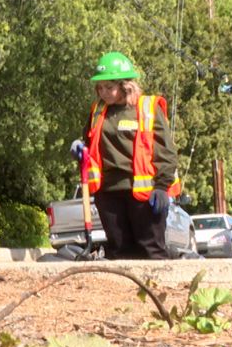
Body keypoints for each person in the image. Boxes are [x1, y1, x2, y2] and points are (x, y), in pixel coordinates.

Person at [69, 51, 181, 259]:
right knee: (119, 251)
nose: (103, 92)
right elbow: (90, 144)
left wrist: (162, 187)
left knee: (151, 250)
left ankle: (155, 291)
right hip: (108, 193)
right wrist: (80, 148)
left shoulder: (146, 108)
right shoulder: (97, 111)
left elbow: (166, 150)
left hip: (145, 195)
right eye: (100, 88)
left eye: (109, 87)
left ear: (124, 85)